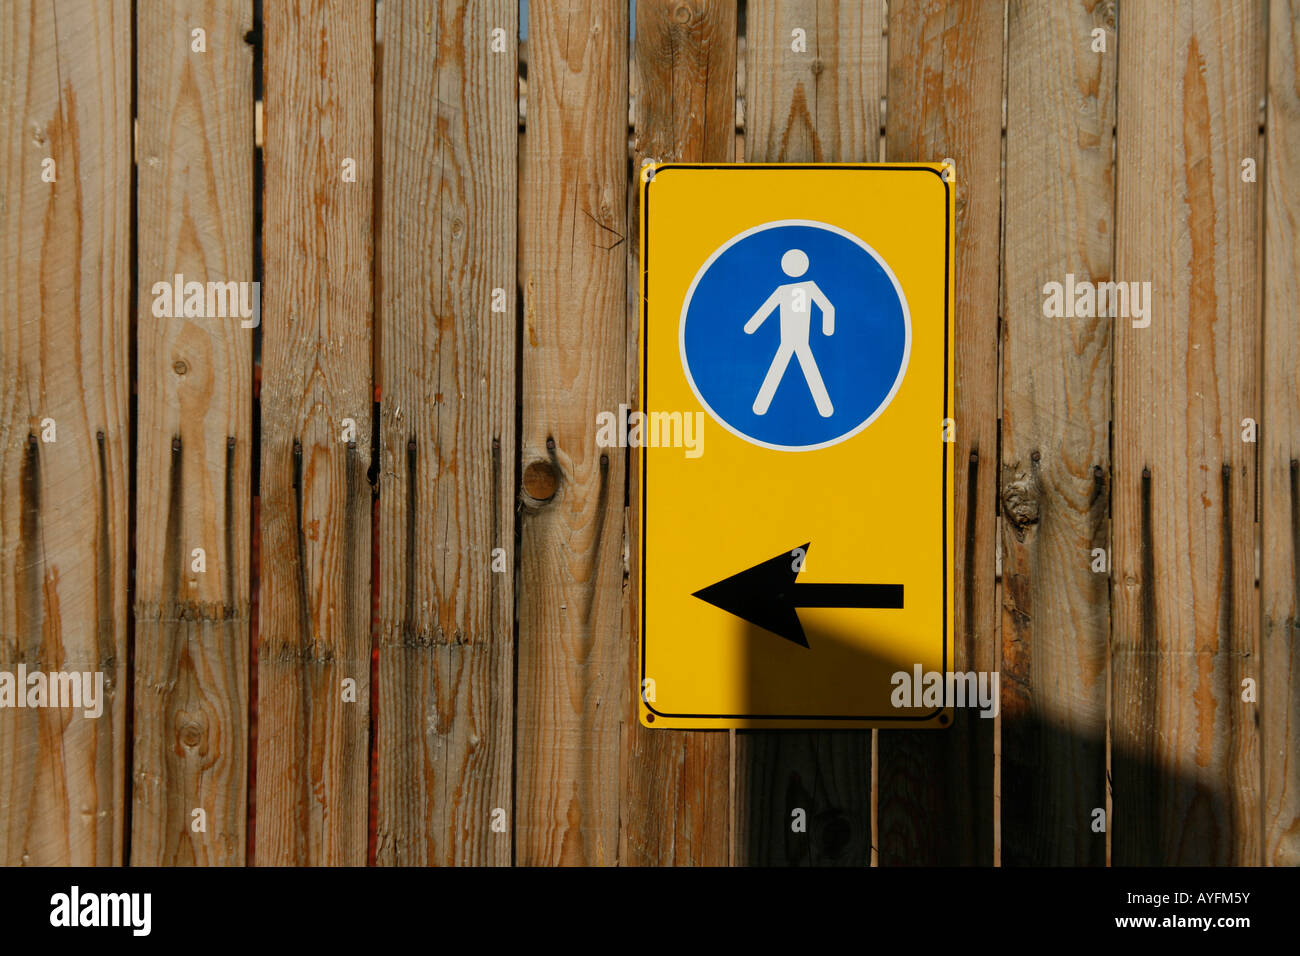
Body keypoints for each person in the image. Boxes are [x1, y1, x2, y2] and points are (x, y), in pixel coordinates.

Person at [742, 248, 835, 417]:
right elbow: (828, 308)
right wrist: (827, 328)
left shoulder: (787, 290)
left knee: (789, 367)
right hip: (791, 339)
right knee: (803, 367)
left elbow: (765, 310)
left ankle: (824, 409)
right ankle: (825, 409)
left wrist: (751, 327)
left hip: (796, 339)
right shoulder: (803, 288)